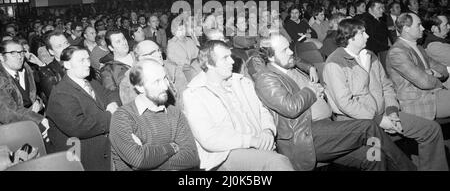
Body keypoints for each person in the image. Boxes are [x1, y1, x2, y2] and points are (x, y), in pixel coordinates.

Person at [251, 34, 416, 171]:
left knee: (373, 156)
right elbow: (290, 107)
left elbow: (299, 61)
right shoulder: (266, 78)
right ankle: (408, 169)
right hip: (308, 136)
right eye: (284, 50)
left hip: (327, 130)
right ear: (271, 56)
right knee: (368, 126)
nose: (291, 52)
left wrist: (310, 69)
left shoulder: (290, 66)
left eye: (289, 47)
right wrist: (311, 91)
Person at [324, 19, 448, 171]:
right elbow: (346, 104)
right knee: (376, 158)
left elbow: (386, 86)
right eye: (363, 33)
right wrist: (379, 120)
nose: (368, 36)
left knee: (430, 130)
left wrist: (392, 111)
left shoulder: (370, 55)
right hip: (360, 124)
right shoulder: (334, 63)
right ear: (351, 38)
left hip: (386, 114)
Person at [183, 40, 294, 171]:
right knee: (277, 162)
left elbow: (262, 111)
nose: (232, 61)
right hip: (225, 155)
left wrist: (267, 130)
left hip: (259, 146)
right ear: (209, 64)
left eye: (230, 56)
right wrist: (252, 141)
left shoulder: (243, 82)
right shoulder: (194, 94)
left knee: (285, 157)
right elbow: (209, 138)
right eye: (225, 58)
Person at [109, 60, 200, 171]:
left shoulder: (175, 113)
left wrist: (148, 161)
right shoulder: (122, 117)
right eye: (156, 81)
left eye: (165, 78)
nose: (166, 87)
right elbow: (138, 159)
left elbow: (192, 157)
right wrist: (173, 147)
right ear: (139, 87)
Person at [46, 46, 119, 171]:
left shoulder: (88, 81)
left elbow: (109, 93)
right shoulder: (61, 93)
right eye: (81, 60)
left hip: (103, 139)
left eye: (88, 59)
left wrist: (112, 103)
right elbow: (79, 127)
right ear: (67, 65)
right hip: (82, 154)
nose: (87, 64)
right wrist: (110, 114)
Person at [386, 13, 450, 120]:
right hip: (421, 102)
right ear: (406, 29)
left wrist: (433, 73)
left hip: (433, 94)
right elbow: (424, 82)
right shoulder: (397, 52)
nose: (423, 28)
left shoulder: (417, 46)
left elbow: (442, 69)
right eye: (418, 25)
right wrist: (437, 78)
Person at [0, 39, 49, 141]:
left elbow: (33, 93)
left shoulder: (26, 68)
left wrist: (39, 102)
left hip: (33, 121)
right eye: (13, 53)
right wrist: (39, 119)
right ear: (1, 57)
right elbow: (8, 112)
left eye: (21, 52)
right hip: (12, 132)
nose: (19, 57)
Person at [101, 29, 135, 104]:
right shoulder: (108, 70)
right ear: (111, 48)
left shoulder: (138, 55)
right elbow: (113, 96)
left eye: (123, 39)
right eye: (118, 42)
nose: (124, 43)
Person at [37, 31, 70, 105]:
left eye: (66, 43)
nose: (66, 48)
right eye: (59, 46)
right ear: (51, 52)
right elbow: (59, 102)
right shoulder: (47, 72)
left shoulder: (81, 62)